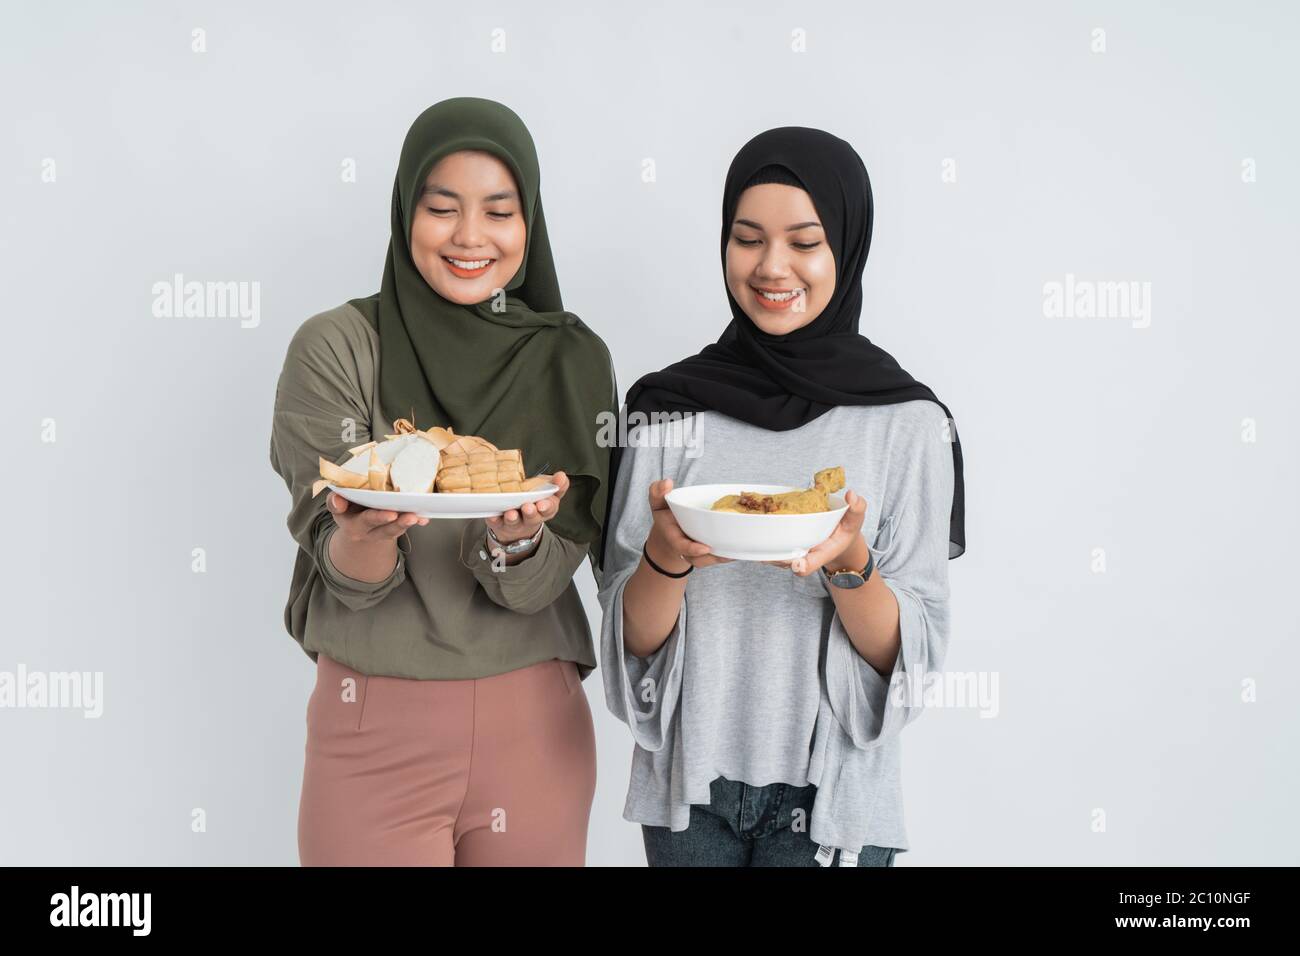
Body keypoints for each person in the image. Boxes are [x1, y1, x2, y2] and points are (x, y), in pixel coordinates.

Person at [597, 126, 966, 867]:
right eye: (747, 238)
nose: (772, 267)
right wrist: (666, 560)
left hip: (833, 801)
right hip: (688, 799)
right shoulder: (665, 411)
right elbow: (627, 645)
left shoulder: (910, 424)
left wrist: (850, 564)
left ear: (848, 246)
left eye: (805, 241)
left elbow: (911, 662)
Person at [270, 97, 616, 866]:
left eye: (499, 210)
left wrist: (521, 539)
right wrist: (363, 535)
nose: (469, 236)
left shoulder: (569, 361)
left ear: (529, 225)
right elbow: (342, 570)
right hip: (373, 726)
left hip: (536, 727)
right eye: (441, 207)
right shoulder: (338, 347)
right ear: (405, 212)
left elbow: (543, 585)